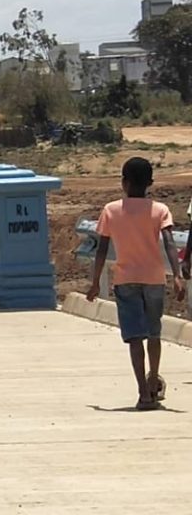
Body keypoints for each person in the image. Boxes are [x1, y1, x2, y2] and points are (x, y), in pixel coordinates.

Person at [88, 157, 185, 411]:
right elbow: (170, 243)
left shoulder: (111, 210)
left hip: (125, 280)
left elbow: (102, 250)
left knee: (134, 338)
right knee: (154, 333)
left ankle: (143, 392)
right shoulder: (160, 210)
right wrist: (177, 275)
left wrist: (96, 281)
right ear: (150, 183)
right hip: (153, 278)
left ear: (124, 182)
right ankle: (154, 378)